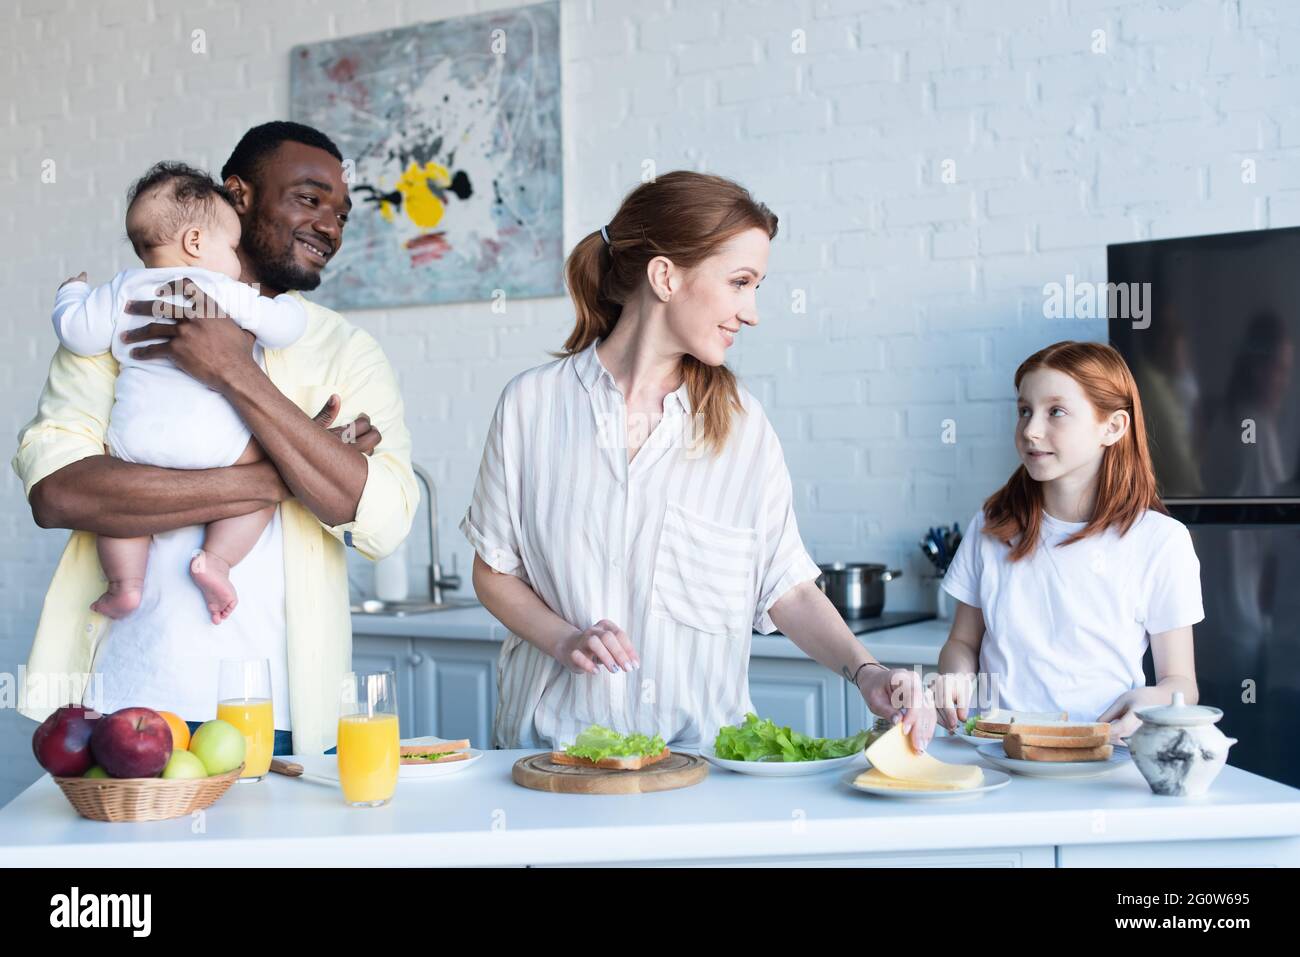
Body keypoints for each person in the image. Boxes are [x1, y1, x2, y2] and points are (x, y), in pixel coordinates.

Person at [461, 170, 936, 753]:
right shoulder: (531, 406)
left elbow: (785, 587)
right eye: (740, 282)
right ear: (665, 276)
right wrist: (563, 640)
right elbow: (493, 570)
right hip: (551, 756)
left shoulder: (743, 428)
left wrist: (869, 674)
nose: (752, 311)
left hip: (699, 762)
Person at [14, 121, 418, 756]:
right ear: (240, 195)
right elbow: (60, 494)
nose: (330, 227)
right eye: (309, 199)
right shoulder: (130, 315)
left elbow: (379, 520)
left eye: (342, 213)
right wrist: (288, 473)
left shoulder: (343, 348)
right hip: (126, 701)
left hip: (286, 712)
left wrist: (230, 368)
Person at [51, 161, 309, 624]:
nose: (236, 259)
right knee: (261, 495)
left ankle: (126, 586)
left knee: (120, 516)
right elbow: (282, 329)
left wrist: (70, 294)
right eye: (232, 246)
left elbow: (77, 334)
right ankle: (217, 562)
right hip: (217, 447)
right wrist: (286, 305)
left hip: (138, 447)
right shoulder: (218, 287)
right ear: (195, 243)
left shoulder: (123, 288)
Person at [934, 341, 1203, 743]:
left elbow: (1180, 682)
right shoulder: (992, 526)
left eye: (1055, 411)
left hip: (1106, 757)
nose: (1030, 430)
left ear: (1112, 428)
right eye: (1024, 410)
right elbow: (962, 641)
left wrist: (1154, 700)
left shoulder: (1161, 542)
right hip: (999, 752)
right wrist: (952, 679)